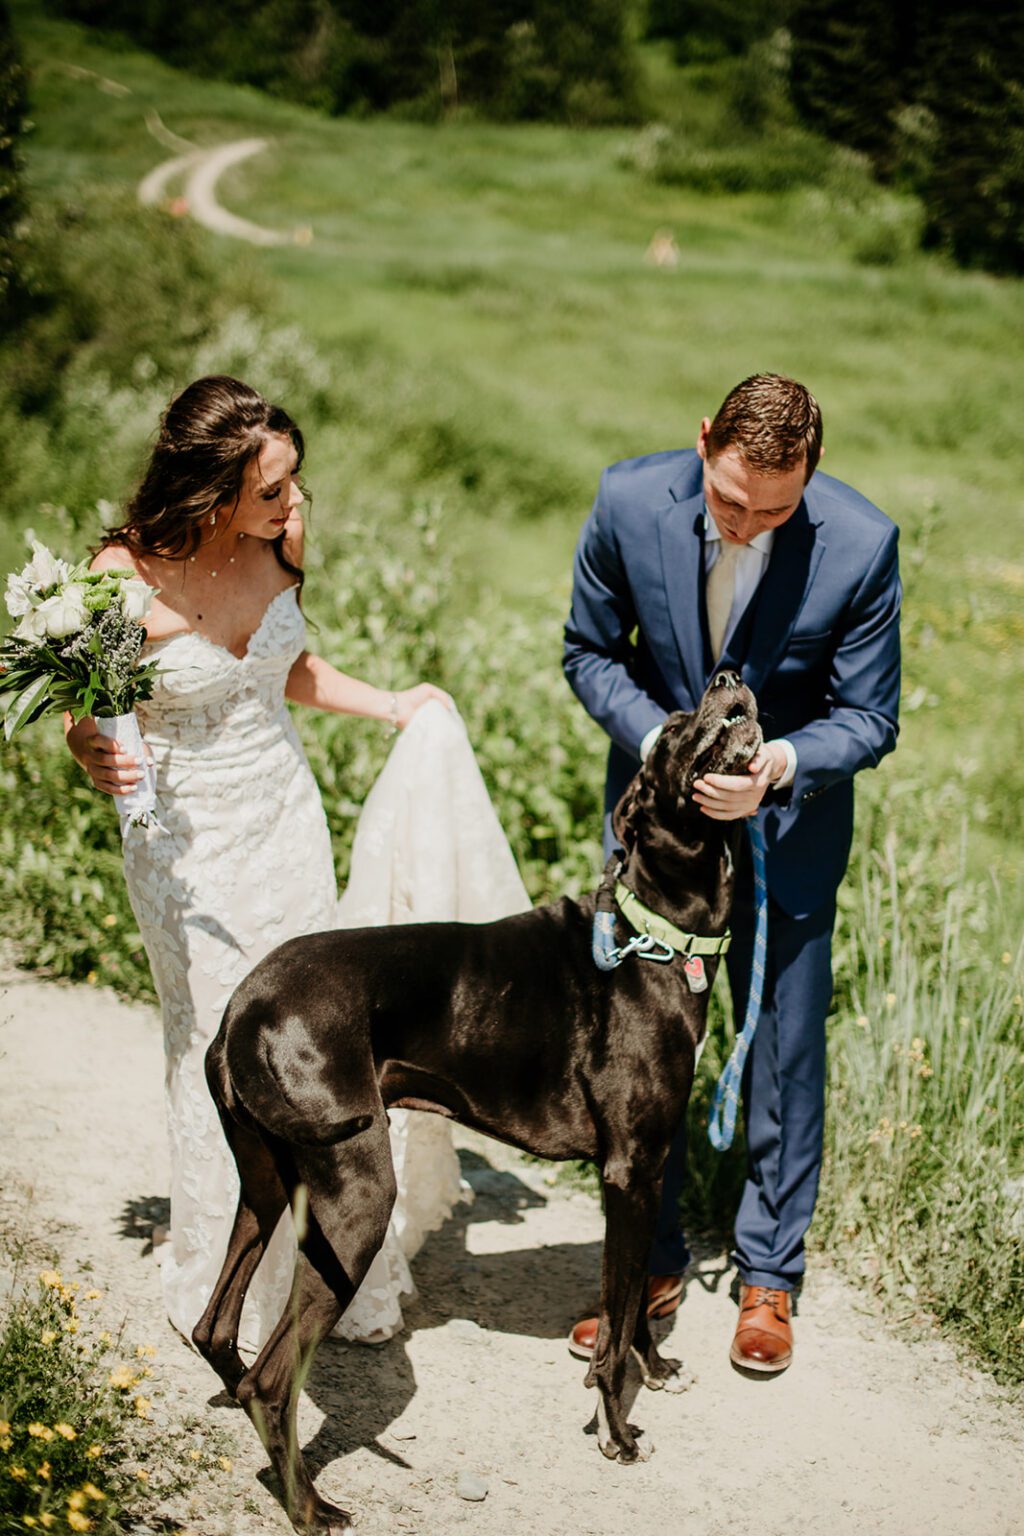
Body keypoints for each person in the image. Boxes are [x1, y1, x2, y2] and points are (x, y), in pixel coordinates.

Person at [65, 374, 529, 1350]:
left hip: (283, 816)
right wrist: (88, 747)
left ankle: (319, 1266)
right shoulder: (120, 578)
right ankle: (224, 1273)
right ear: (209, 494)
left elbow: (287, 671)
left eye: (293, 482)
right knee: (218, 1038)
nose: (293, 504)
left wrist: (397, 701)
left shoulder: (278, 540)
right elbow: (90, 712)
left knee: (312, 1037)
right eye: (273, 490)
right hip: (182, 846)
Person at [562, 373, 901, 1373]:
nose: (748, 526)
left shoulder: (862, 543)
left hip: (786, 838)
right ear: (702, 440)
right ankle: (649, 1262)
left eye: (776, 509)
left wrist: (780, 766)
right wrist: (666, 744)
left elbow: (869, 716)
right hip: (657, 849)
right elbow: (589, 653)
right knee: (636, 1056)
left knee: (785, 1052)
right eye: (727, 501)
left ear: (812, 476)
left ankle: (767, 1278)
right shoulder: (627, 502)